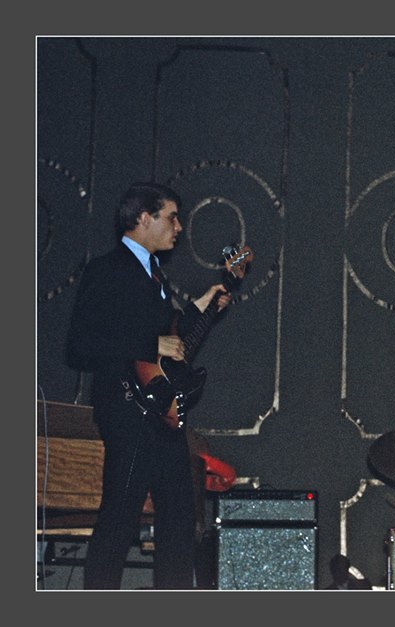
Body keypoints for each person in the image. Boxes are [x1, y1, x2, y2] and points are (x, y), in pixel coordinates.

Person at [66, 181, 231, 589]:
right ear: (144, 218)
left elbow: (166, 346)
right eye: (172, 217)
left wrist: (202, 308)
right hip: (127, 413)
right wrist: (149, 343)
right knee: (119, 521)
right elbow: (80, 344)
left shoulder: (154, 274)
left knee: (179, 525)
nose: (179, 227)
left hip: (162, 414)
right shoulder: (106, 269)